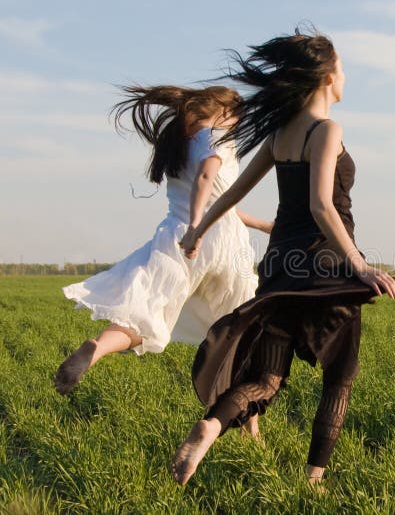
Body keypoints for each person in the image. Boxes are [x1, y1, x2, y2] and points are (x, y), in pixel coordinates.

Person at [172, 29, 395, 486]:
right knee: (340, 375)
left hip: (279, 267)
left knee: (268, 379)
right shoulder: (326, 130)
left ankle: (211, 426)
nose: (345, 76)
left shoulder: (279, 134)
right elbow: (322, 206)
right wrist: (358, 264)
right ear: (327, 77)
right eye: (343, 68)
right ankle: (313, 480)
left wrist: (198, 229)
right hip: (325, 265)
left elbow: (231, 193)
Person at [55, 85, 273, 422]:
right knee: (242, 334)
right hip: (218, 242)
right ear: (223, 112)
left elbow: (219, 200)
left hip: (175, 239)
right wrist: (197, 227)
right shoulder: (216, 137)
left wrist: (260, 224)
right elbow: (207, 177)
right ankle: (249, 427)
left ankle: (97, 349)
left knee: (144, 314)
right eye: (236, 116)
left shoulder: (179, 146)